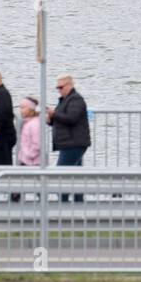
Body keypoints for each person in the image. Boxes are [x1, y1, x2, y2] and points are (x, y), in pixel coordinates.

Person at [48, 74, 90, 202]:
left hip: (74, 144)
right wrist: (49, 119)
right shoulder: (65, 100)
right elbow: (61, 119)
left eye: (61, 87)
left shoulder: (76, 99)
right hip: (69, 143)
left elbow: (71, 118)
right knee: (75, 177)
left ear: (70, 85)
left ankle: (63, 205)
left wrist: (54, 114)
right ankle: (78, 204)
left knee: (61, 176)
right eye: (57, 88)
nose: (59, 90)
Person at [17, 97, 42, 168]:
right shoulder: (27, 123)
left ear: (31, 109)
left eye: (23, 108)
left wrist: (29, 155)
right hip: (25, 160)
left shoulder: (34, 124)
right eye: (20, 108)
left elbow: (37, 144)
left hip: (32, 162)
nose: (21, 111)